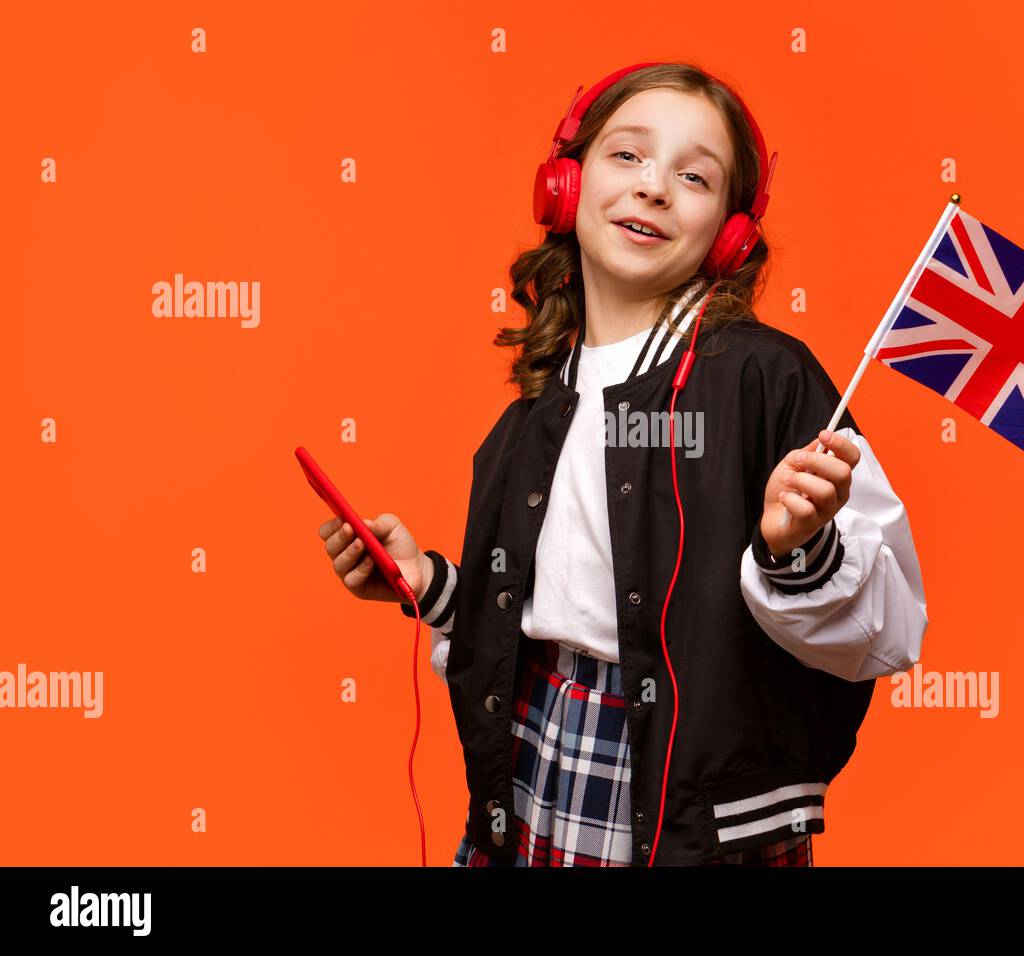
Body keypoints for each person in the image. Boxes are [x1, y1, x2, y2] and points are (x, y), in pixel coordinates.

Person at [316, 61, 928, 867]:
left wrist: (795, 549)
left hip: (685, 808)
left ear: (731, 233)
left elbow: (888, 633)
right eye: (628, 156)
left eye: (695, 176)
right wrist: (428, 585)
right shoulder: (534, 412)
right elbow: (552, 624)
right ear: (565, 187)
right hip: (532, 773)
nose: (653, 188)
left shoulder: (765, 380)